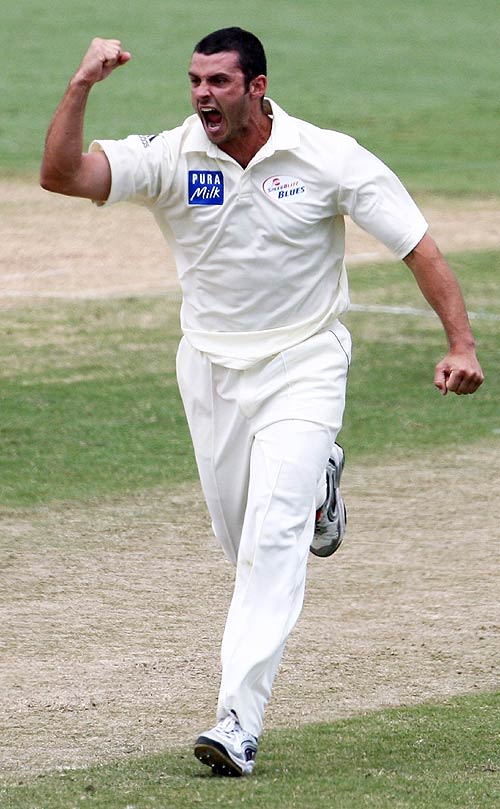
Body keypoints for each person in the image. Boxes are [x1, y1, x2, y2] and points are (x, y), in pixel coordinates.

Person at [40, 27, 484, 777]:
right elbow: (62, 175)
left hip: (305, 363)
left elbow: (418, 245)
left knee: (272, 542)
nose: (202, 95)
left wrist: (461, 343)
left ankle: (237, 720)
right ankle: (320, 486)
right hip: (211, 369)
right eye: (195, 81)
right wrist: (81, 84)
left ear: (257, 87)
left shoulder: (326, 156)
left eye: (218, 81)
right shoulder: (172, 155)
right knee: (240, 540)